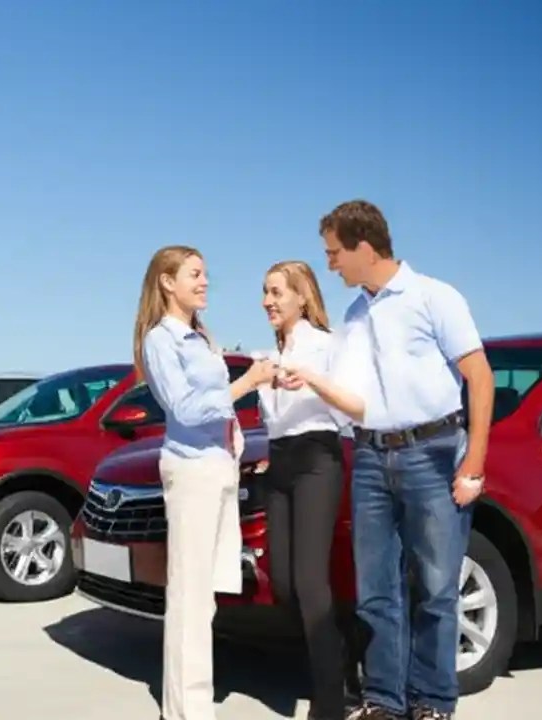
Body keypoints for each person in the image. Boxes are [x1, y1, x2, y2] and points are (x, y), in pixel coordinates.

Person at [279, 200, 494, 720]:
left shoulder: (433, 298)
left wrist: (474, 466)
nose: (329, 264)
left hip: (433, 453)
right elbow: (352, 395)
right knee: (376, 591)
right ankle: (384, 701)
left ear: (364, 248)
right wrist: (305, 381)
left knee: (437, 588)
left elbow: (480, 378)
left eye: (334, 253)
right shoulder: (355, 316)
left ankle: (434, 701)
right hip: (372, 458)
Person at [132, 245, 275, 720]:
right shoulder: (162, 340)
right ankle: (186, 710)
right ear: (167, 283)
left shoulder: (201, 338)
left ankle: (194, 701)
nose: (205, 281)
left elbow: (216, 410)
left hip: (217, 468)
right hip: (191, 470)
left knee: (206, 594)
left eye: (206, 274)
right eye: (194, 274)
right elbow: (187, 409)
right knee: (189, 593)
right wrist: (246, 383)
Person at [255, 260, 349, 720]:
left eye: (276, 292)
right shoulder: (268, 353)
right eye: (266, 292)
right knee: (284, 584)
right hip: (281, 461)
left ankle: (331, 701)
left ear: (302, 297)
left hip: (318, 460)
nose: (268, 301)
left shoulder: (326, 346)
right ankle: (336, 657)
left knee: (311, 582)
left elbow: (351, 410)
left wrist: (311, 379)